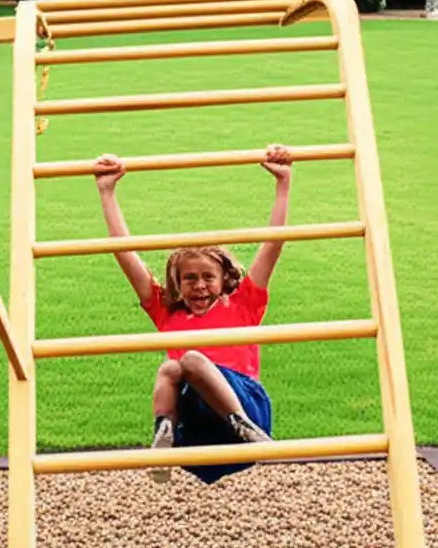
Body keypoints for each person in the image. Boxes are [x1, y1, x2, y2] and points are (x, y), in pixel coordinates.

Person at [92, 145, 294, 485]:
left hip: (246, 407)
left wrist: (283, 184)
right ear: (177, 282)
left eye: (207, 278)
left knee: (191, 360)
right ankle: (165, 439)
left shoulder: (243, 303)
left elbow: (273, 244)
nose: (199, 286)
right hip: (196, 427)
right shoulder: (167, 313)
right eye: (189, 279)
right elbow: (126, 256)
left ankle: (242, 426)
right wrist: (106, 192)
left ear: (224, 279)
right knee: (172, 367)